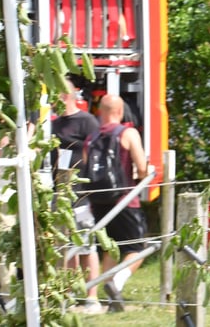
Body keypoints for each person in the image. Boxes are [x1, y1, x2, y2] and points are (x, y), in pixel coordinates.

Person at [86, 94, 148, 312]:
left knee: (109, 249)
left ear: (100, 111)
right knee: (138, 248)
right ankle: (116, 283)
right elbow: (141, 168)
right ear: (120, 112)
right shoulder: (128, 133)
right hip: (125, 201)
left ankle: (111, 299)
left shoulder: (91, 137)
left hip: (98, 203)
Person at [50, 78, 103, 314]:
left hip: (81, 192)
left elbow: (96, 154)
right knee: (64, 245)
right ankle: (68, 294)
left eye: (55, 96)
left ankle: (92, 296)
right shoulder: (54, 124)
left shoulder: (87, 121)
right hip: (59, 192)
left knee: (86, 245)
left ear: (66, 96)